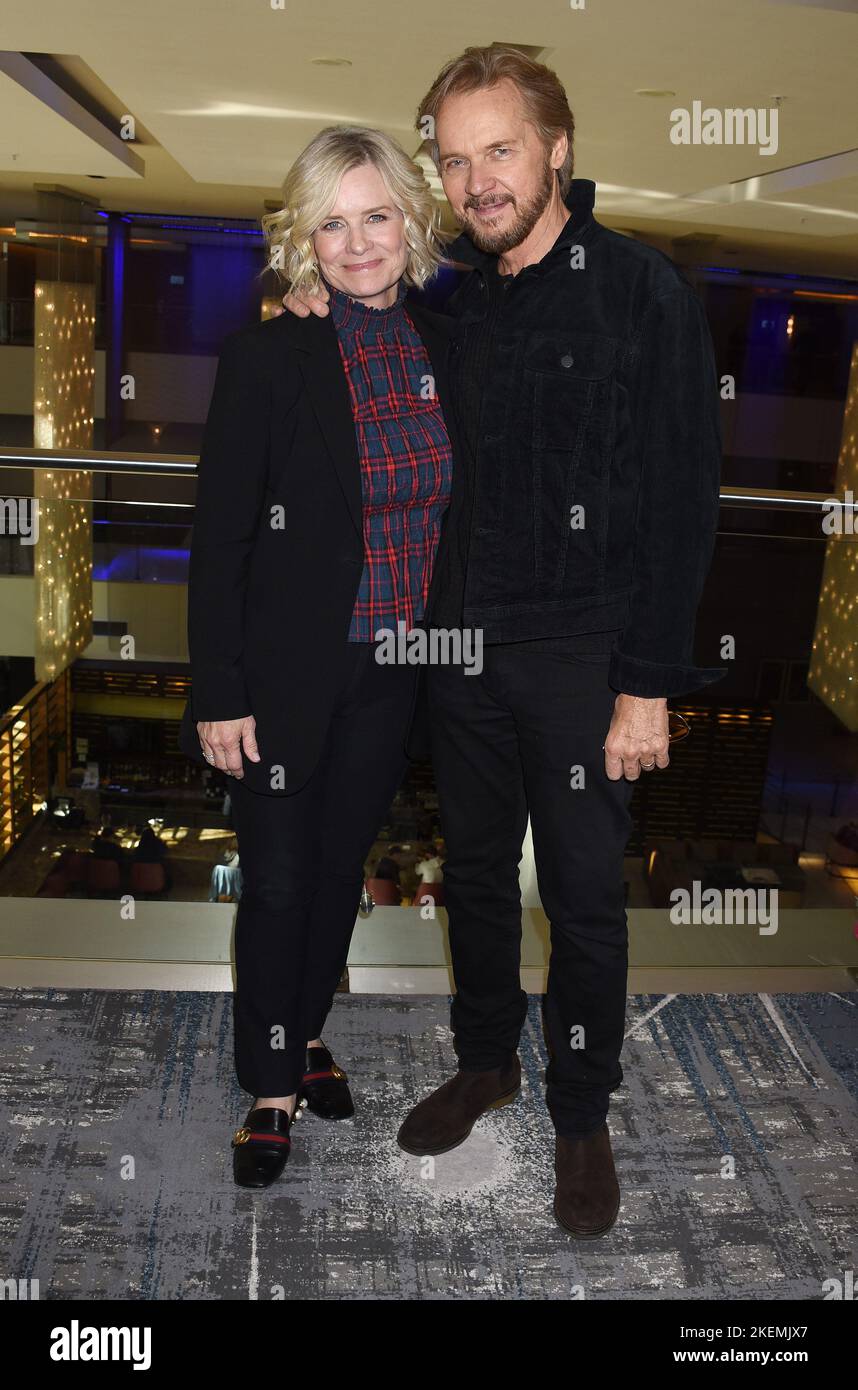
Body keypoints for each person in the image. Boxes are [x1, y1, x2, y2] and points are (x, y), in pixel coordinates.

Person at [281, 46, 727, 1237]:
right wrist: (309, 304)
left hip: (587, 659)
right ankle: (490, 1062)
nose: (478, 180)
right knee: (472, 877)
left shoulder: (644, 293)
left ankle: (580, 1110)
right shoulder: (446, 301)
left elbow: (683, 507)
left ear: (558, 149)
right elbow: (355, 353)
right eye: (457, 155)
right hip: (458, 652)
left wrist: (648, 689)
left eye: (502, 150)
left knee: (581, 897)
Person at [177, 125, 461, 1189]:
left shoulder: (452, 347)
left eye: (377, 215)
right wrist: (220, 687)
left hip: (395, 669)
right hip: (287, 673)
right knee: (283, 877)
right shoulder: (270, 355)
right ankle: (269, 1083)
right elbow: (221, 536)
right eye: (330, 223)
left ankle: (302, 1029)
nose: (356, 244)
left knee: (343, 872)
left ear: (412, 221)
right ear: (302, 239)